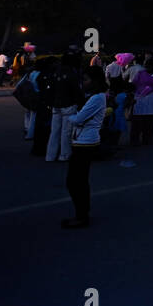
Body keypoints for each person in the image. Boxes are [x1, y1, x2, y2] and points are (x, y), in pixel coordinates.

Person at [62, 66, 106, 229]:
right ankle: (82, 213)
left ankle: (81, 216)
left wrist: (70, 116)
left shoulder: (96, 98)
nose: (83, 83)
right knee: (78, 181)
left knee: (75, 182)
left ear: (95, 81)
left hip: (85, 143)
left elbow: (78, 119)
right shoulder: (95, 97)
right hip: (83, 141)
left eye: (86, 80)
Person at [45, 52, 84, 162]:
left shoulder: (55, 72)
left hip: (56, 105)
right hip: (68, 105)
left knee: (54, 131)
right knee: (66, 132)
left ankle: (50, 155)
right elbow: (76, 90)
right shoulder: (71, 73)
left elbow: (50, 89)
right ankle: (64, 155)